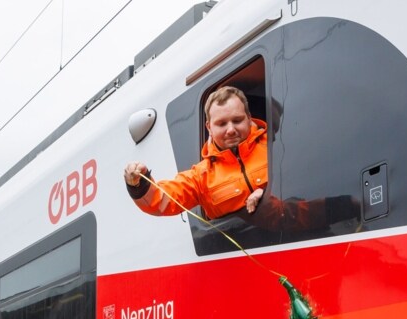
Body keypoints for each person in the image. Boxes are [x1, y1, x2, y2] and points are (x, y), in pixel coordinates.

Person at [124, 85, 355, 232]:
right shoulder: (200, 177)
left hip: (319, 236)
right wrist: (139, 184)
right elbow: (163, 201)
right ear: (209, 127)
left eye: (237, 120)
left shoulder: (279, 147)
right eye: (222, 124)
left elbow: (316, 176)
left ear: (248, 118)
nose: (231, 129)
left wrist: (267, 192)